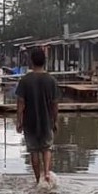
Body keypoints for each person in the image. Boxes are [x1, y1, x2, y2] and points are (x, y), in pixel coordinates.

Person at [15, 47, 60, 184]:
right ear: (44, 61)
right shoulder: (51, 80)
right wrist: (55, 120)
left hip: (30, 122)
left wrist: (19, 121)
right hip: (47, 121)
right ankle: (46, 173)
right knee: (47, 149)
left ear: (31, 62)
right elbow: (55, 104)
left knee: (34, 151)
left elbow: (20, 104)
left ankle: (37, 179)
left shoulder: (25, 80)